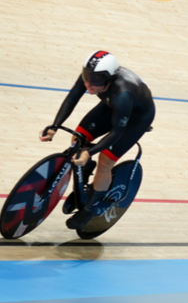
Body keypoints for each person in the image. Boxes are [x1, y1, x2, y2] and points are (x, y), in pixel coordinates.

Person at [40, 51, 155, 230]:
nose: (89, 85)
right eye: (87, 78)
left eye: (96, 81)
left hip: (135, 119)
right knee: (77, 141)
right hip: (111, 106)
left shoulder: (123, 92)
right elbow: (72, 98)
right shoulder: (92, 76)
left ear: (110, 79)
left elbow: (117, 133)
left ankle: (90, 208)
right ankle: (83, 184)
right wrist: (55, 125)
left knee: (105, 162)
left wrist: (90, 152)